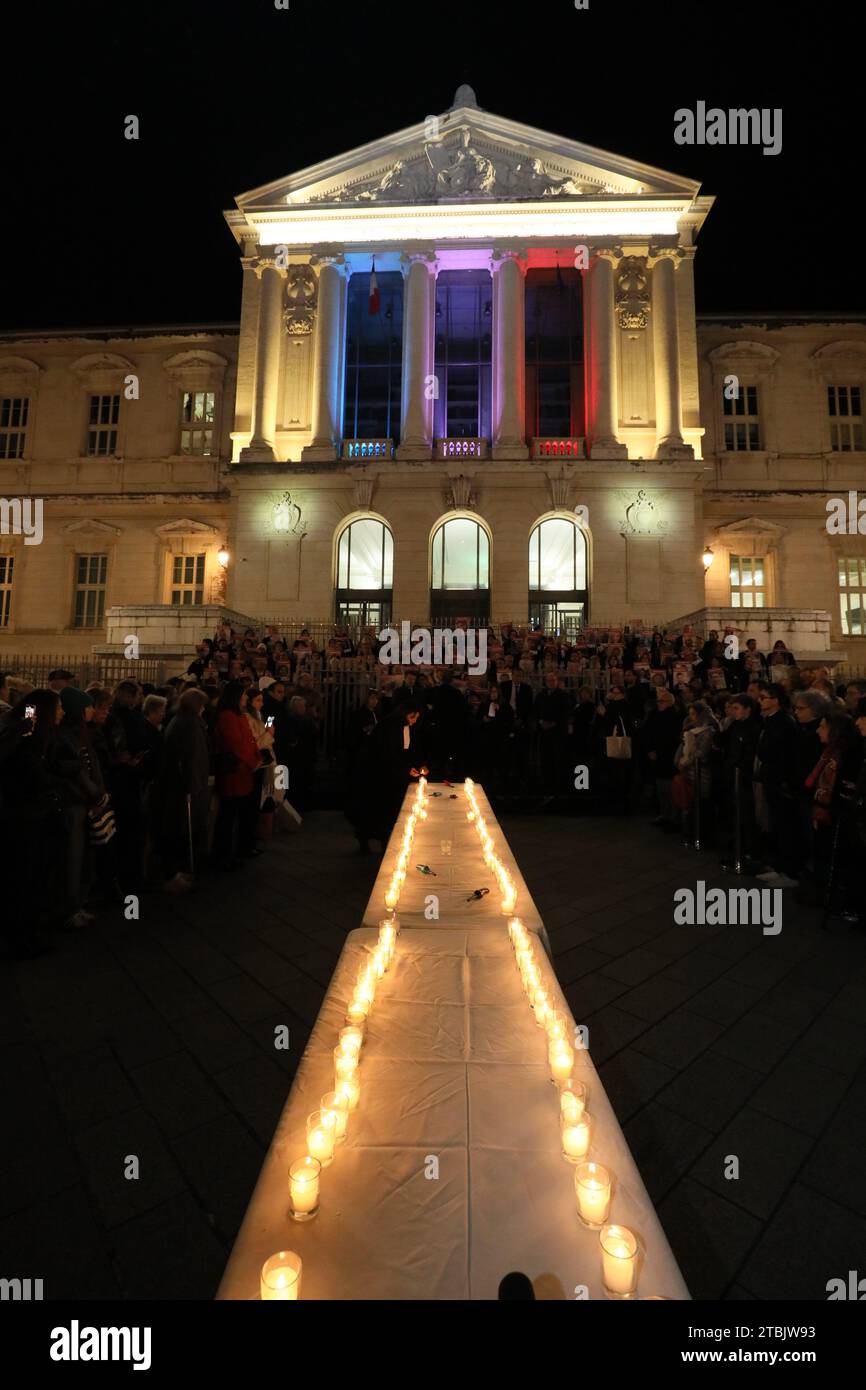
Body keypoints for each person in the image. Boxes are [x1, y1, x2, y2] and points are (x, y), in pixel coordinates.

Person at [0, 689, 66, 955]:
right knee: (25, 878)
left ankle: (24, 932)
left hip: (26, 815)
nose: (62, 712)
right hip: (25, 818)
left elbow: (29, 712)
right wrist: (58, 776)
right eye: (59, 707)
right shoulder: (26, 739)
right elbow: (33, 774)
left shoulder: (27, 726)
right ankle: (21, 936)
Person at [155, 688, 211, 891]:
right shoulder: (190, 724)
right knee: (179, 828)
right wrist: (193, 784)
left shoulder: (180, 720)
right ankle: (174, 871)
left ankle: (176, 869)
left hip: (177, 783)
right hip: (182, 785)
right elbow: (191, 757)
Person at [213, 682, 261, 870]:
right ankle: (224, 855)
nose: (246, 698)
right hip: (236, 772)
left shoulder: (238, 715)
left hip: (244, 770)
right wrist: (252, 760)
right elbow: (236, 744)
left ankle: (232, 852)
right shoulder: (228, 716)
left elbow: (247, 740)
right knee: (228, 815)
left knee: (235, 813)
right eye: (243, 695)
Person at [754, 684, 798, 886]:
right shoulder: (770, 721)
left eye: (764, 697)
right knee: (776, 825)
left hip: (779, 780)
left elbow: (781, 753)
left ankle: (789, 872)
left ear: (776, 701)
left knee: (785, 826)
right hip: (771, 778)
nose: (760, 700)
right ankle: (780, 866)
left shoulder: (783, 722)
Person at [643, 688, 681, 829]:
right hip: (658, 755)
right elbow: (648, 733)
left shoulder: (674, 717)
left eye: (662, 701)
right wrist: (650, 749)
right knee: (660, 786)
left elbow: (673, 737)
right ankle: (664, 813)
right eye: (658, 701)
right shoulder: (654, 715)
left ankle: (672, 815)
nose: (659, 703)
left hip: (669, 755)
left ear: (670, 703)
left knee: (670, 786)